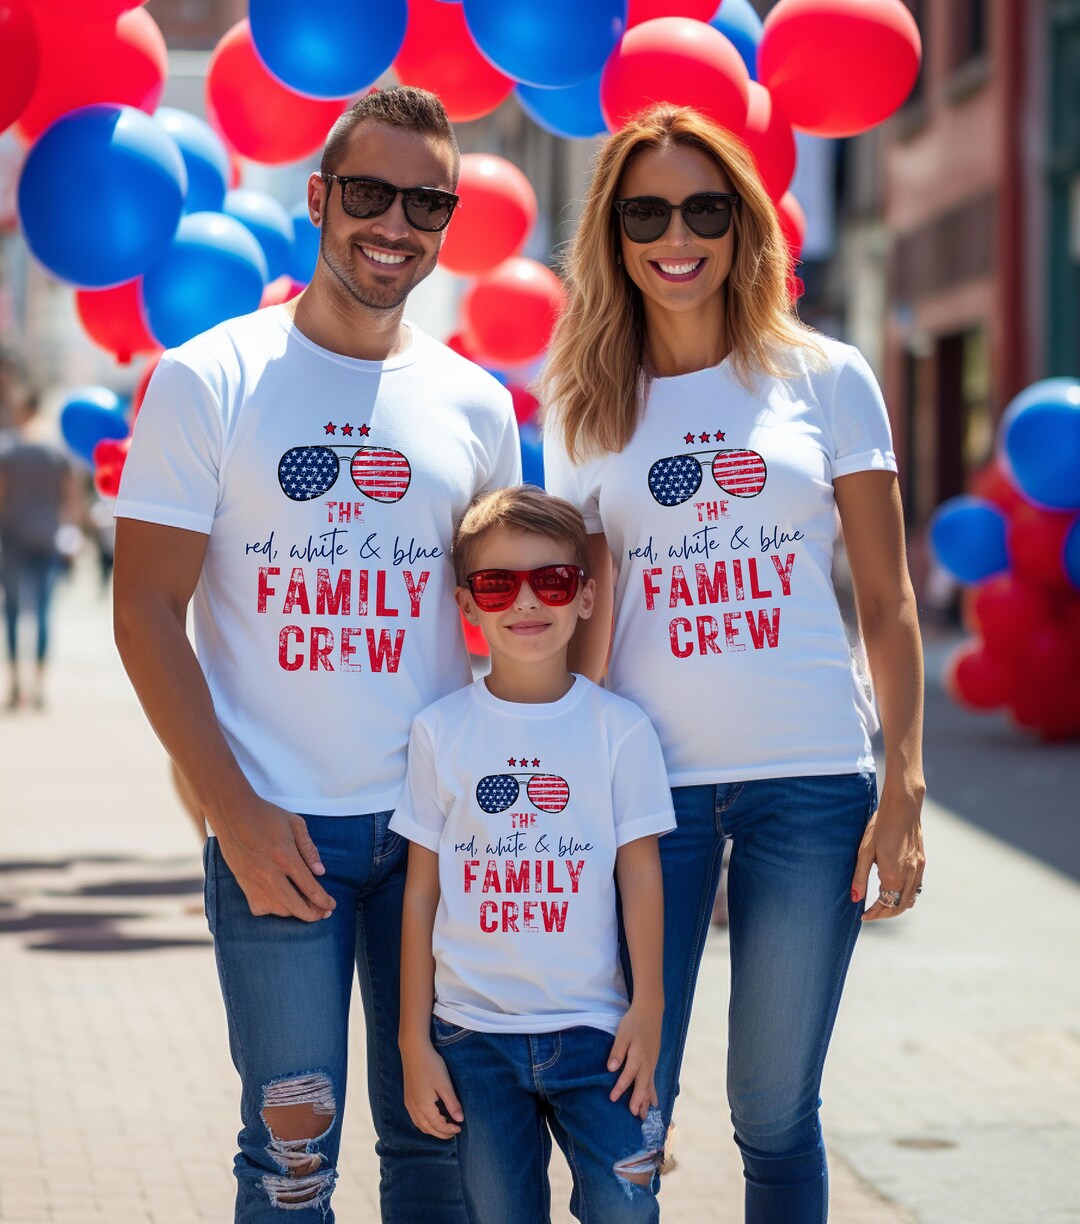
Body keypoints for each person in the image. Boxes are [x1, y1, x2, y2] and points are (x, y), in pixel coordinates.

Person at [113, 86, 521, 1222]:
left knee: (438, 1149)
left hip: (438, 841)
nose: (395, 224)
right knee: (291, 1161)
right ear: (319, 199)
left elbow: (505, 622)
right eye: (371, 193)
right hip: (274, 832)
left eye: (426, 201)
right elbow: (144, 612)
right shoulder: (211, 377)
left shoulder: (478, 405)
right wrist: (230, 811)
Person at [540, 104, 926, 1223]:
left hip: (811, 788)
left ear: (744, 224)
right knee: (628, 1107)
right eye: (647, 211)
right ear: (612, 234)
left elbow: (891, 602)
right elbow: (581, 621)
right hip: (647, 801)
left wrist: (902, 780)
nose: (677, 234)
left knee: (772, 1111)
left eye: (705, 209)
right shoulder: (589, 405)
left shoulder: (826, 376)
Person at [391, 485, 676, 1222]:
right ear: (468, 604)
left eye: (551, 580)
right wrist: (412, 1039)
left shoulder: (621, 730)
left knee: (626, 1208)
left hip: (597, 1034)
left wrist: (650, 1006)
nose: (526, 601)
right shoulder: (440, 732)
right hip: (472, 1035)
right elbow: (420, 893)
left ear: (583, 597)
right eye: (498, 583)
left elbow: (640, 874)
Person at [0, 387, 80, 710]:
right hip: (47, 539)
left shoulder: (9, 449)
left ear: (22, 409)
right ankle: (41, 685)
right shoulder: (55, 451)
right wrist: (71, 532)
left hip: (14, 540)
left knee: (14, 613)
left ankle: (18, 684)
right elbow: (70, 496)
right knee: (45, 613)